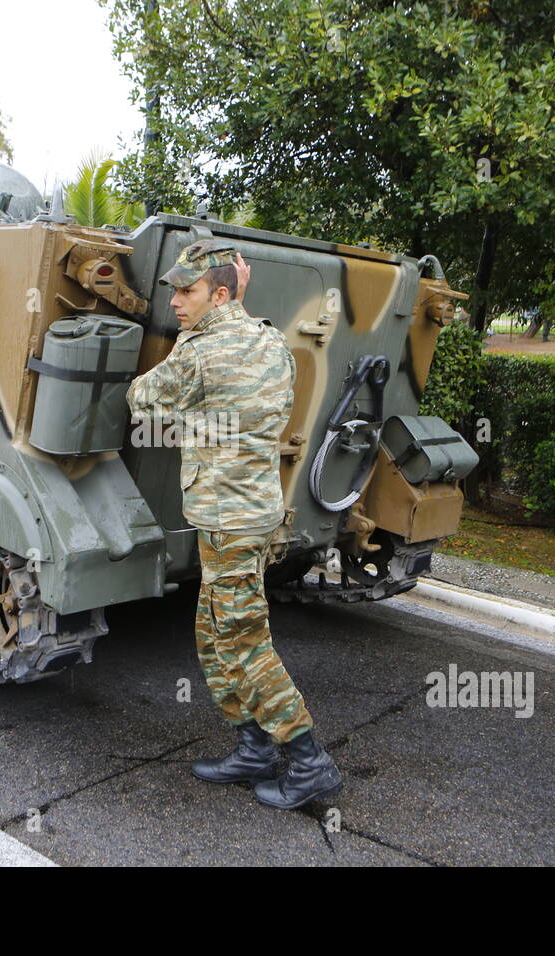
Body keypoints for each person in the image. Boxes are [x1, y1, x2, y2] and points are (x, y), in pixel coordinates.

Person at [126, 238, 343, 810]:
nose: (175, 301)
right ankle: (251, 746)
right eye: (173, 290)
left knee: (245, 643)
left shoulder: (197, 353)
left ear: (218, 293)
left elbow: (142, 399)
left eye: (188, 291)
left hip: (227, 520)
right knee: (213, 632)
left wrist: (197, 336)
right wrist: (229, 307)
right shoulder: (271, 342)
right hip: (250, 516)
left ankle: (308, 760)